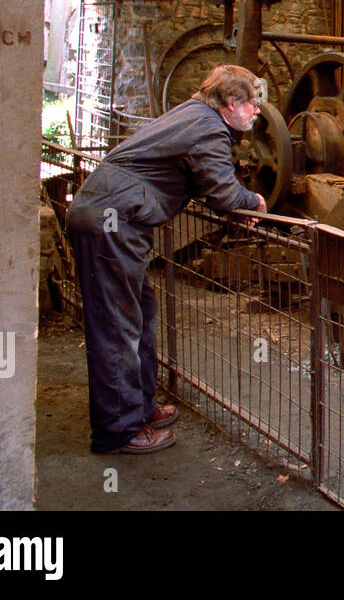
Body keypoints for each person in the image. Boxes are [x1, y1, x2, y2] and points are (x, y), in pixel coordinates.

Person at [67, 64, 267, 454]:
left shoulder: (193, 114)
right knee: (117, 328)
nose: (257, 112)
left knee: (138, 317)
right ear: (231, 103)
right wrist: (254, 201)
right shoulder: (208, 128)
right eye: (253, 104)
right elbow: (224, 194)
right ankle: (118, 432)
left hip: (116, 221)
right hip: (111, 225)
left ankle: (138, 409)